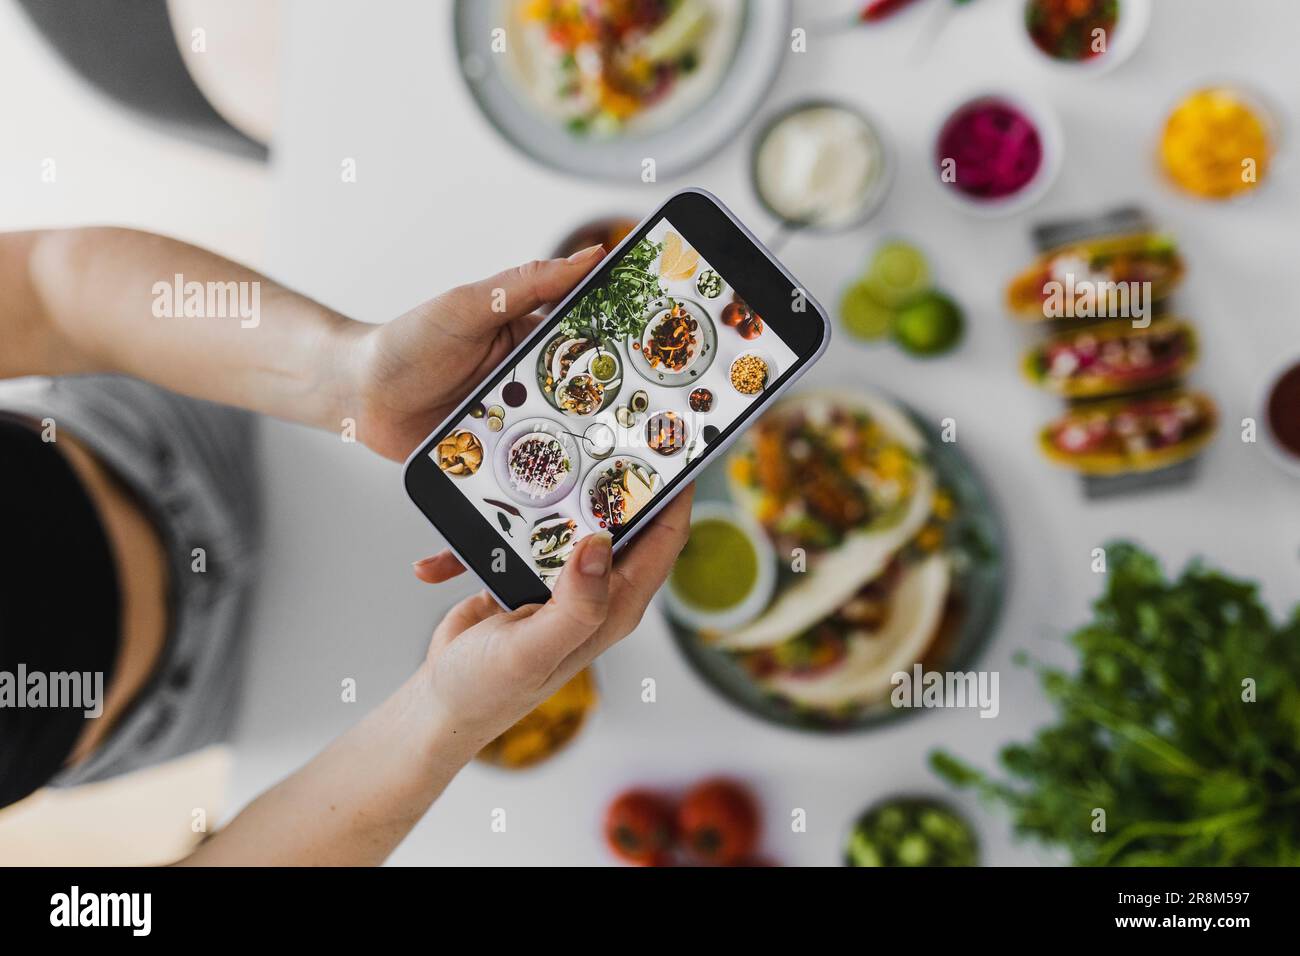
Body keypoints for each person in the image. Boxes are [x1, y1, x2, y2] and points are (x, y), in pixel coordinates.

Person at [0, 228, 692, 864]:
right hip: (191, 703)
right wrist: (443, 718)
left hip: (171, 411)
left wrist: (343, 376)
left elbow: (44, 294)